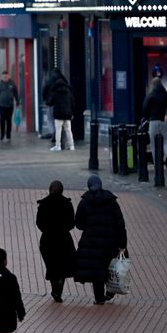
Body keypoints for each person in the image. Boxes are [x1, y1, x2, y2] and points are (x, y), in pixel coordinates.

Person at [74, 175, 128, 305]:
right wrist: (122, 244)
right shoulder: (112, 201)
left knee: (96, 270)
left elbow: (79, 224)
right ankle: (110, 291)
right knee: (110, 266)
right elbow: (120, 225)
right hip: (111, 242)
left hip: (91, 242)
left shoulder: (85, 202)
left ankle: (99, 298)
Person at [35, 180, 76, 302]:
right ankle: (58, 290)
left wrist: (47, 230)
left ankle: (55, 288)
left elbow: (39, 222)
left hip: (47, 240)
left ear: (50, 189)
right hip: (63, 240)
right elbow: (71, 223)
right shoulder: (67, 204)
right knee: (62, 265)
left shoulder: (44, 204)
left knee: (52, 265)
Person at [44, 69, 75, 152]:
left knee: (58, 130)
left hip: (58, 113)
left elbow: (50, 102)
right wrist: (72, 112)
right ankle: (71, 145)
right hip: (68, 113)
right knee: (68, 130)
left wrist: (47, 102)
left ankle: (58, 146)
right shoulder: (68, 91)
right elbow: (72, 102)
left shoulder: (55, 91)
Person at [0, 71, 20, 143]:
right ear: (2, 77)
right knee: (2, 120)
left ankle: (8, 135)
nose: (5, 78)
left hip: (10, 105)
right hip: (2, 105)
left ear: (9, 76)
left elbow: (16, 93)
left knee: (9, 121)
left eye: (6, 76)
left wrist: (17, 102)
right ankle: (2, 135)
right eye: (4, 76)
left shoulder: (12, 84)